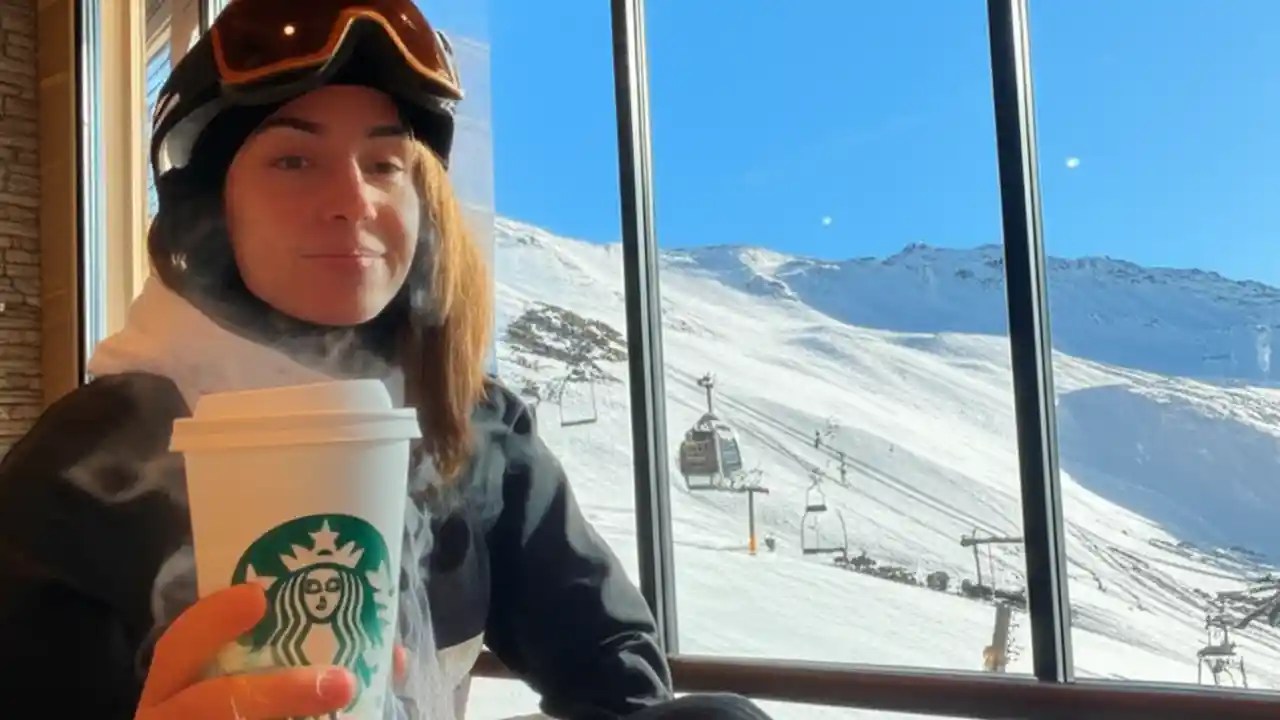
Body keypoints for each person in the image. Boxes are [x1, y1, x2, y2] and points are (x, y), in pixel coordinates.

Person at [0, 1, 775, 719]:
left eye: (385, 165)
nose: (354, 200)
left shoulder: (470, 426)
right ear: (208, 208)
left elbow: (612, 666)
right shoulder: (87, 463)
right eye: (293, 162)